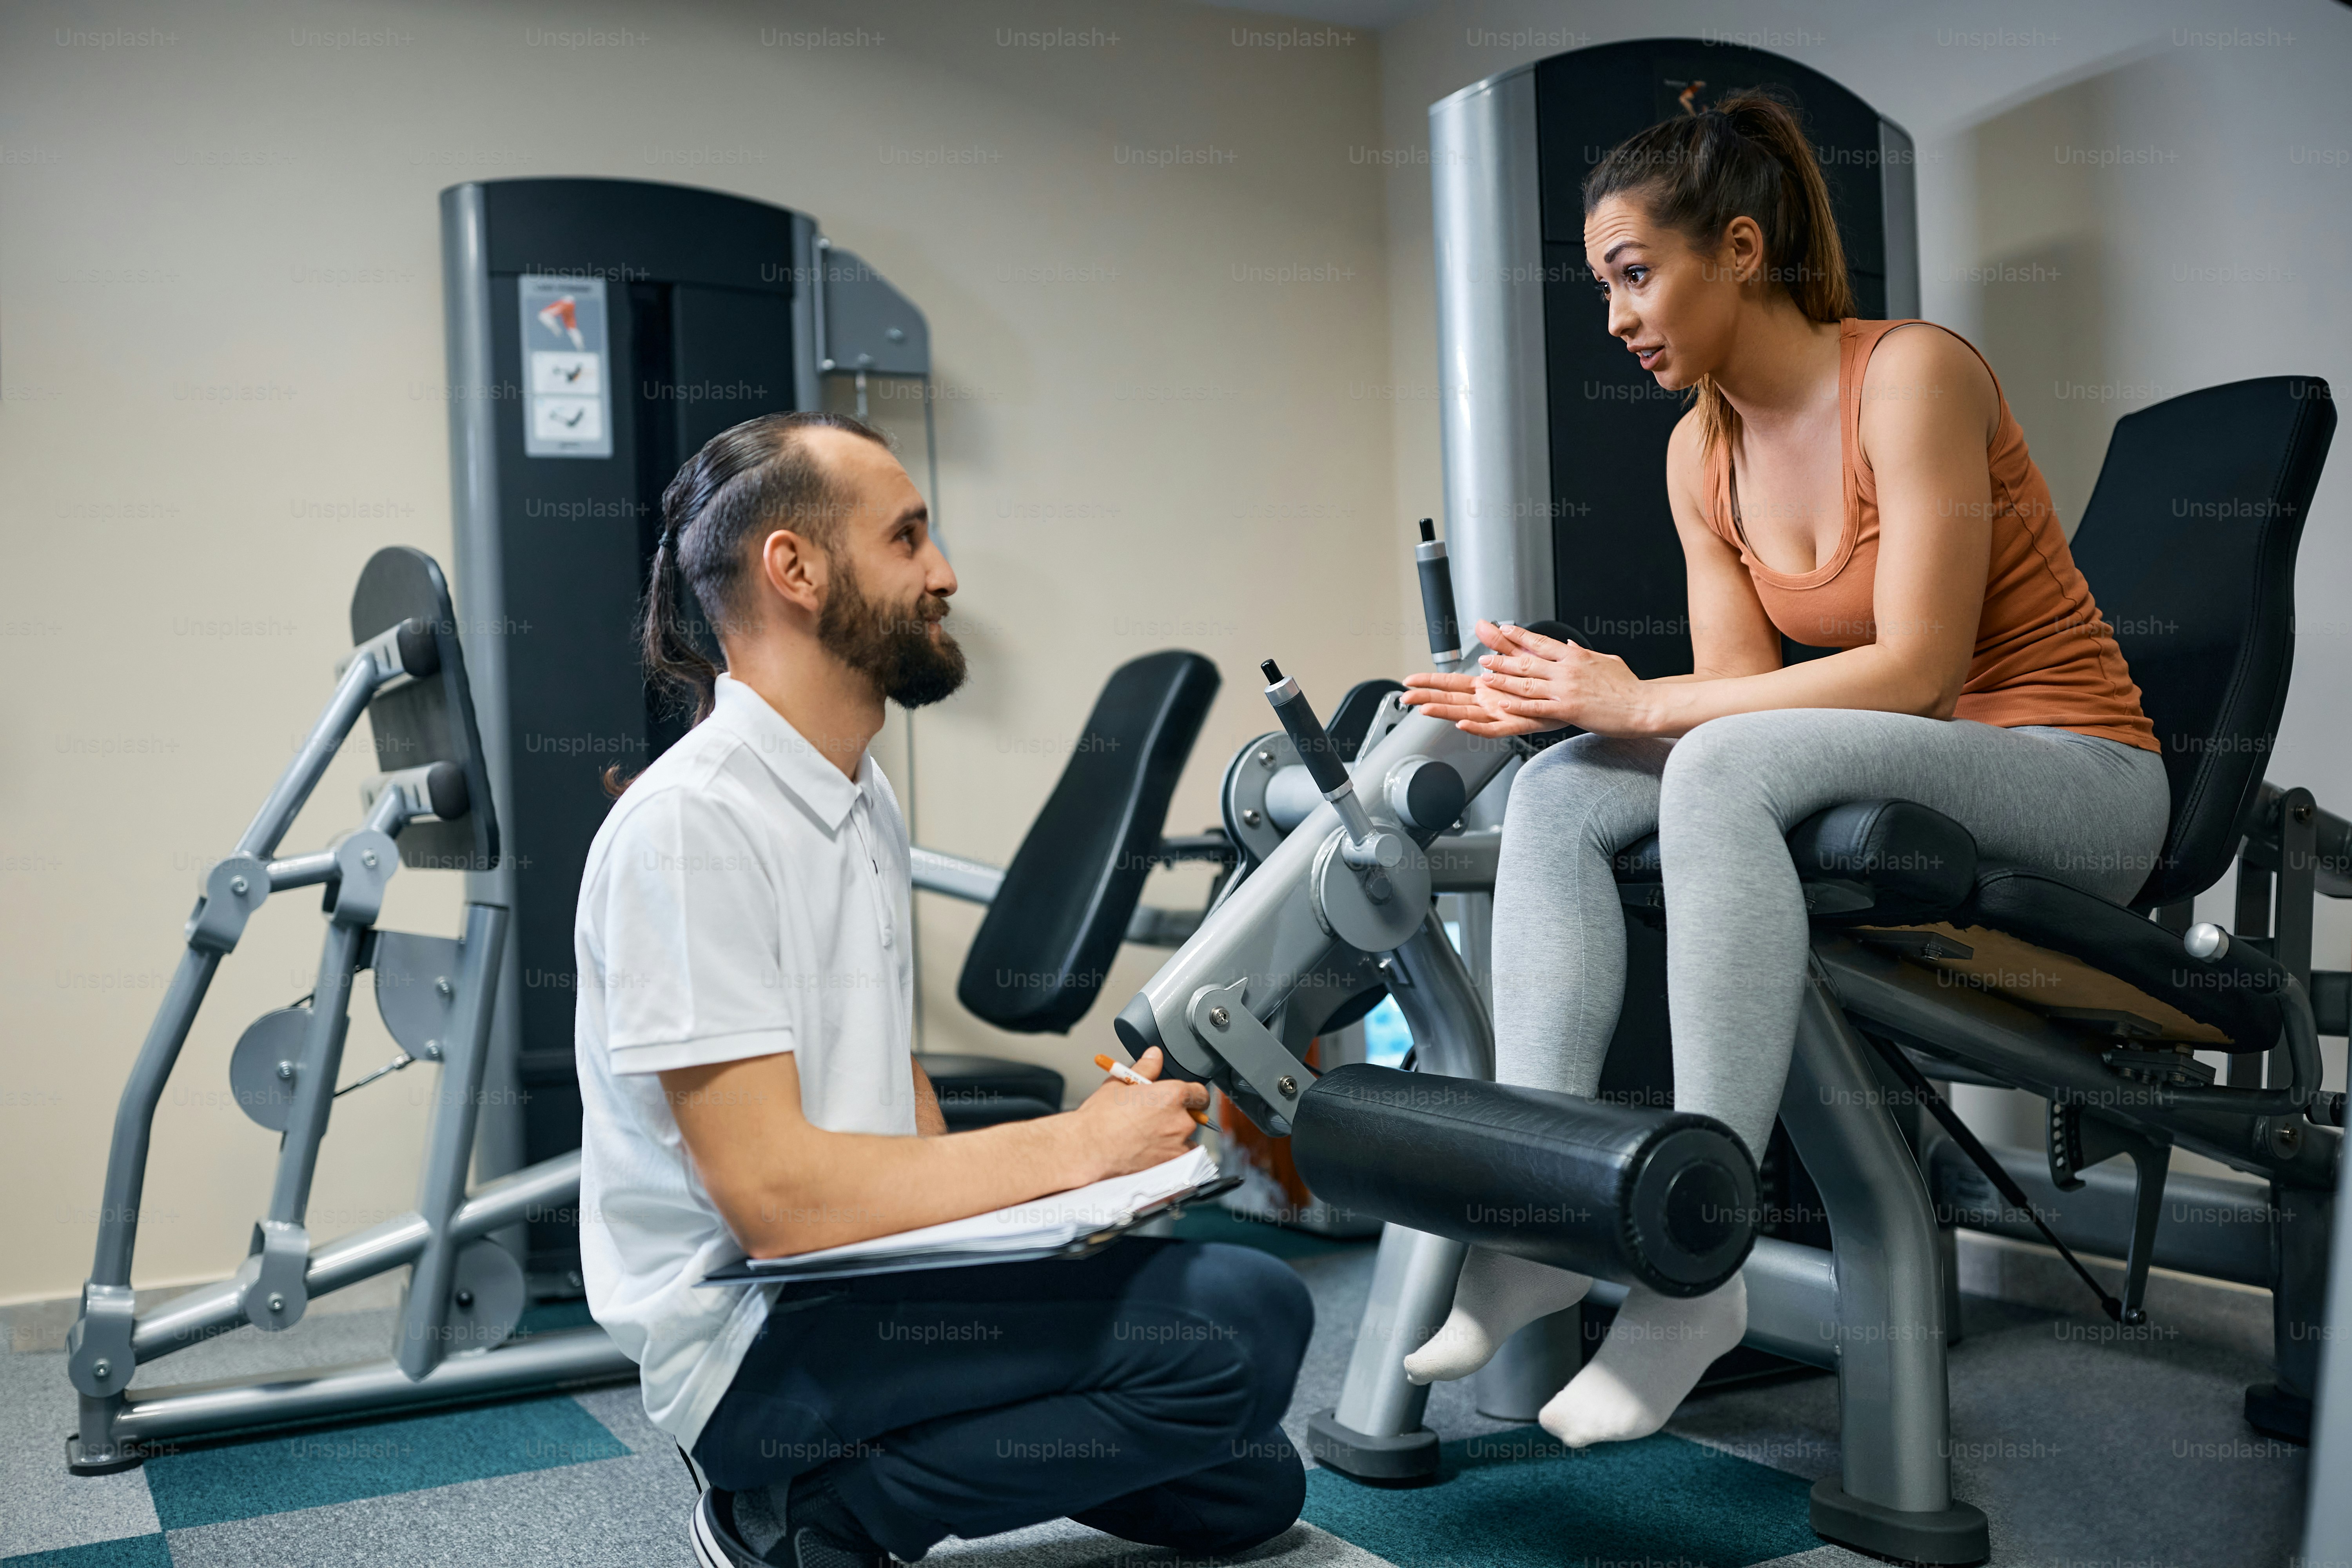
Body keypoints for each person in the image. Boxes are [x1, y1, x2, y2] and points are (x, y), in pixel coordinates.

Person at [1397, 93, 2169, 1448]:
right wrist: (1557, 704)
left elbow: (1921, 669)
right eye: (1603, 288)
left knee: (1706, 768)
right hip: (1914, 768)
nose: (1620, 318)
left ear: (1741, 249)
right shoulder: (1704, 448)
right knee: (1571, 787)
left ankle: (1698, 1263)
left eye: (1637, 275)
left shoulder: (1917, 373)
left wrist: (1635, 696)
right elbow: (1732, 704)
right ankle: (1533, 1228)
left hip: (2074, 772)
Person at [572, 411, 1312, 1568]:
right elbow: (774, 1199)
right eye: (909, 538)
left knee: (1251, 1483)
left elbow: (891, 1084)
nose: (945, 573)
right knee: (1246, 1322)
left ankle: (862, 1463)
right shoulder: (690, 827)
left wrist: (1059, 1223)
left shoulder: (858, 793)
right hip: (754, 1338)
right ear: (796, 569)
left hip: (865, 1281)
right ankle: (797, 1514)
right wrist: (1078, 1149)